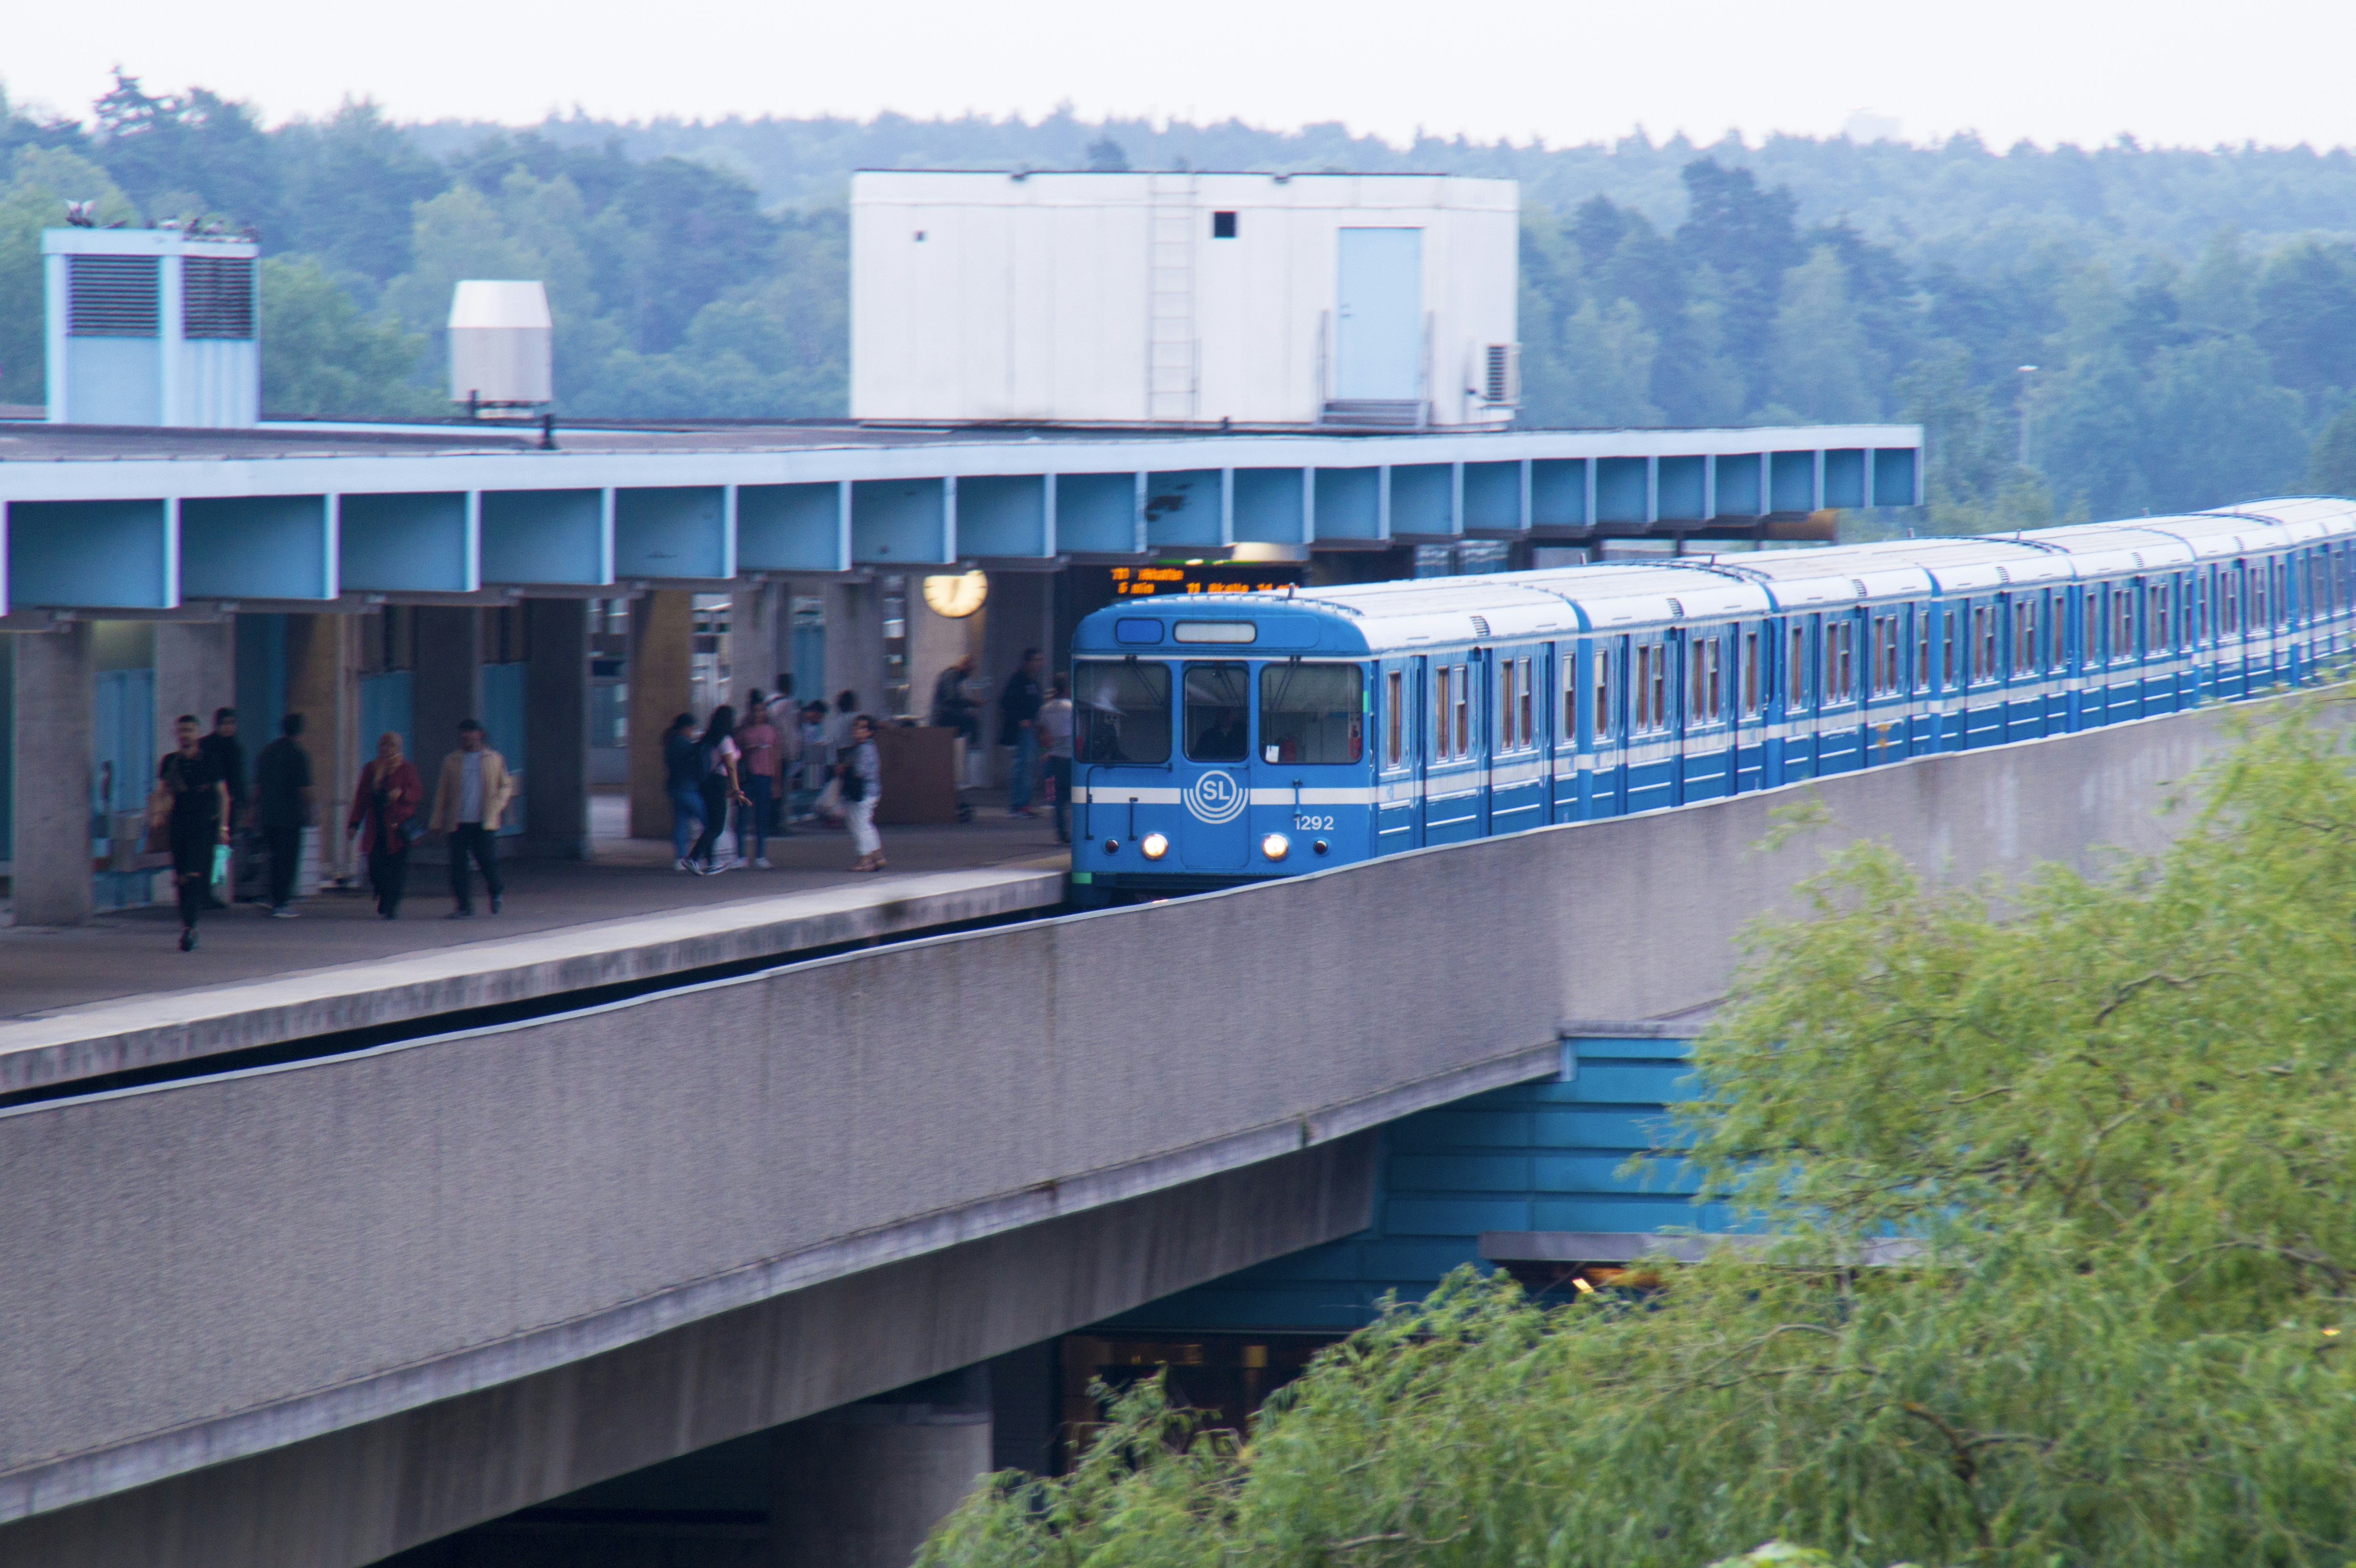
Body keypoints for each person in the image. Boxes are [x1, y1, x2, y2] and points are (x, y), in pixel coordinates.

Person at [153, 714, 229, 951]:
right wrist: (158, 814)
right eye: (182, 731)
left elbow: (223, 795)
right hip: (179, 824)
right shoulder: (170, 762)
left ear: (198, 733)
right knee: (182, 877)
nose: (185, 735)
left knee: (196, 875)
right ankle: (187, 923)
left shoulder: (211, 761)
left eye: (190, 731)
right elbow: (163, 793)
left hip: (204, 825)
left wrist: (223, 827)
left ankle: (191, 924)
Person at [431, 718, 513, 919]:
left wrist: (499, 804)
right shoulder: (452, 760)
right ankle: (464, 906)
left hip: (484, 822)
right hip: (458, 822)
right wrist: (437, 821)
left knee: (487, 860)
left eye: (470, 732)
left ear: (480, 734)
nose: (466, 736)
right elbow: (442, 791)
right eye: (463, 732)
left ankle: (496, 892)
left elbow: (506, 785)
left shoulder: (493, 759)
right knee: (458, 866)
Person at [348, 731, 424, 918]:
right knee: (376, 868)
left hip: (399, 829)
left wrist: (402, 794)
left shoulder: (407, 769)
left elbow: (417, 792)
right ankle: (382, 893)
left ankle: (392, 906)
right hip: (377, 827)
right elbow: (362, 798)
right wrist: (354, 824)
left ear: (399, 748)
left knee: (397, 869)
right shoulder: (371, 769)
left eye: (391, 746)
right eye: (383, 745)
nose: (387, 749)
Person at [253, 711, 316, 918]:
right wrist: (312, 811)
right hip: (291, 816)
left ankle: (270, 897)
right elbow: (304, 788)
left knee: (272, 858)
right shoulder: (298, 754)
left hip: (269, 814)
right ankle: (281, 903)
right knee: (287, 860)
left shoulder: (268, 752)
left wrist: (253, 811)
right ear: (300, 730)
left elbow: (258, 786)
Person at [689, 705, 751, 874]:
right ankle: (693, 858)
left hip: (706, 783)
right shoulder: (726, 741)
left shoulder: (708, 739)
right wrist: (737, 790)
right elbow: (730, 767)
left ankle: (710, 862)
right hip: (718, 782)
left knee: (710, 824)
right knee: (717, 826)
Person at [199, 706, 247, 908]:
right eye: (225, 724)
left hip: (229, 806)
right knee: (206, 848)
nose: (228, 728)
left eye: (231, 723)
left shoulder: (235, 748)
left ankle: (211, 889)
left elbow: (238, 779)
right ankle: (203, 892)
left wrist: (242, 804)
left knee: (222, 850)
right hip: (209, 804)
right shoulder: (207, 746)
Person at [736, 689, 782, 866]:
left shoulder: (771, 732)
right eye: (755, 711)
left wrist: (777, 783)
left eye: (761, 711)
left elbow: (776, 757)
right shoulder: (743, 732)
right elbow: (734, 753)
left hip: (765, 776)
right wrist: (748, 750)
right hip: (747, 777)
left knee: (762, 817)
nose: (758, 715)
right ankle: (741, 856)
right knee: (743, 816)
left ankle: (760, 855)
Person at [1000, 648, 1046, 817]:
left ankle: (1024, 803)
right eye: (1035, 660)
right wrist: (1020, 719)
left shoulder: (1033, 683)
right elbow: (1006, 702)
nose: (1038, 664)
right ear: (1027, 662)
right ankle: (1018, 805)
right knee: (1023, 766)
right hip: (1023, 729)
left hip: (1033, 728)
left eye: (1040, 660)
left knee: (1030, 766)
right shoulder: (1018, 680)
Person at [663, 712, 706, 868]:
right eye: (692, 729)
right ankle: (703, 855)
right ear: (685, 728)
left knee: (681, 821)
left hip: (676, 787)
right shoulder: (684, 745)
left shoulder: (672, 743)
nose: (693, 732)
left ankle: (680, 857)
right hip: (687, 788)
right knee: (707, 818)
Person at [843, 714, 885, 872]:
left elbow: (859, 771)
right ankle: (878, 856)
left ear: (870, 732)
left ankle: (865, 859)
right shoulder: (868, 747)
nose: (856, 731)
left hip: (862, 793)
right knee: (866, 825)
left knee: (860, 826)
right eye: (855, 727)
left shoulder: (864, 750)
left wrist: (845, 768)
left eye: (861, 728)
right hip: (870, 791)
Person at [1037, 673, 1074, 845]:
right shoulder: (1072, 707)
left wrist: (1045, 750)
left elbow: (1041, 732)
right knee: (1076, 797)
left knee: (1058, 798)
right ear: (1067, 689)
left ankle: (1061, 833)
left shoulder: (1045, 709)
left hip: (1054, 757)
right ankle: (1078, 831)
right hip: (1071, 758)